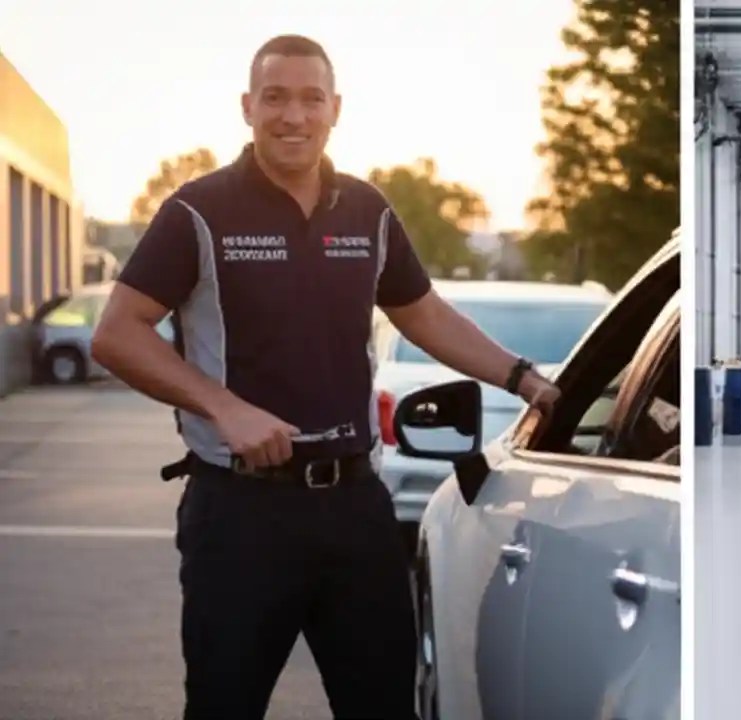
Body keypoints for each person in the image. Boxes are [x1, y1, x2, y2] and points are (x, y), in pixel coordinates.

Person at [90, 34, 559, 719]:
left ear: (335, 109)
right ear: (247, 107)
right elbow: (116, 333)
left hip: (354, 510)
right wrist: (224, 408)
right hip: (239, 513)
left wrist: (521, 377)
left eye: (311, 99)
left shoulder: (367, 211)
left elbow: (422, 312)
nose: (293, 116)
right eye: (275, 98)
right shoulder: (198, 210)